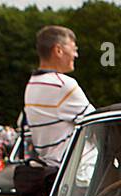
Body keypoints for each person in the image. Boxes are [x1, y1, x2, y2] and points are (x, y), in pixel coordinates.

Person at [23, 25, 91, 167]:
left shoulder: (32, 84)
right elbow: (96, 124)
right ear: (58, 50)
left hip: (52, 167)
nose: (76, 55)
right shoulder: (62, 85)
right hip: (79, 172)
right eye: (74, 49)